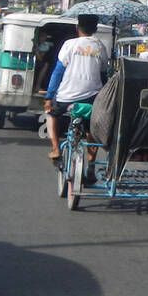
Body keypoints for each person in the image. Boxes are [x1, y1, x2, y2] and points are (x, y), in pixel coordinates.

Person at [44, 14, 109, 181]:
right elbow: (103, 77)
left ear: (77, 27)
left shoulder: (69, 44)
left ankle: (55, 148)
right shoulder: (101, 46)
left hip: (66, 97)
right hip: (92, 98)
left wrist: (49, 97)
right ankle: (91, 166)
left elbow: (57, 73)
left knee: (51, 114)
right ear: (95, 29)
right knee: (92, 129)